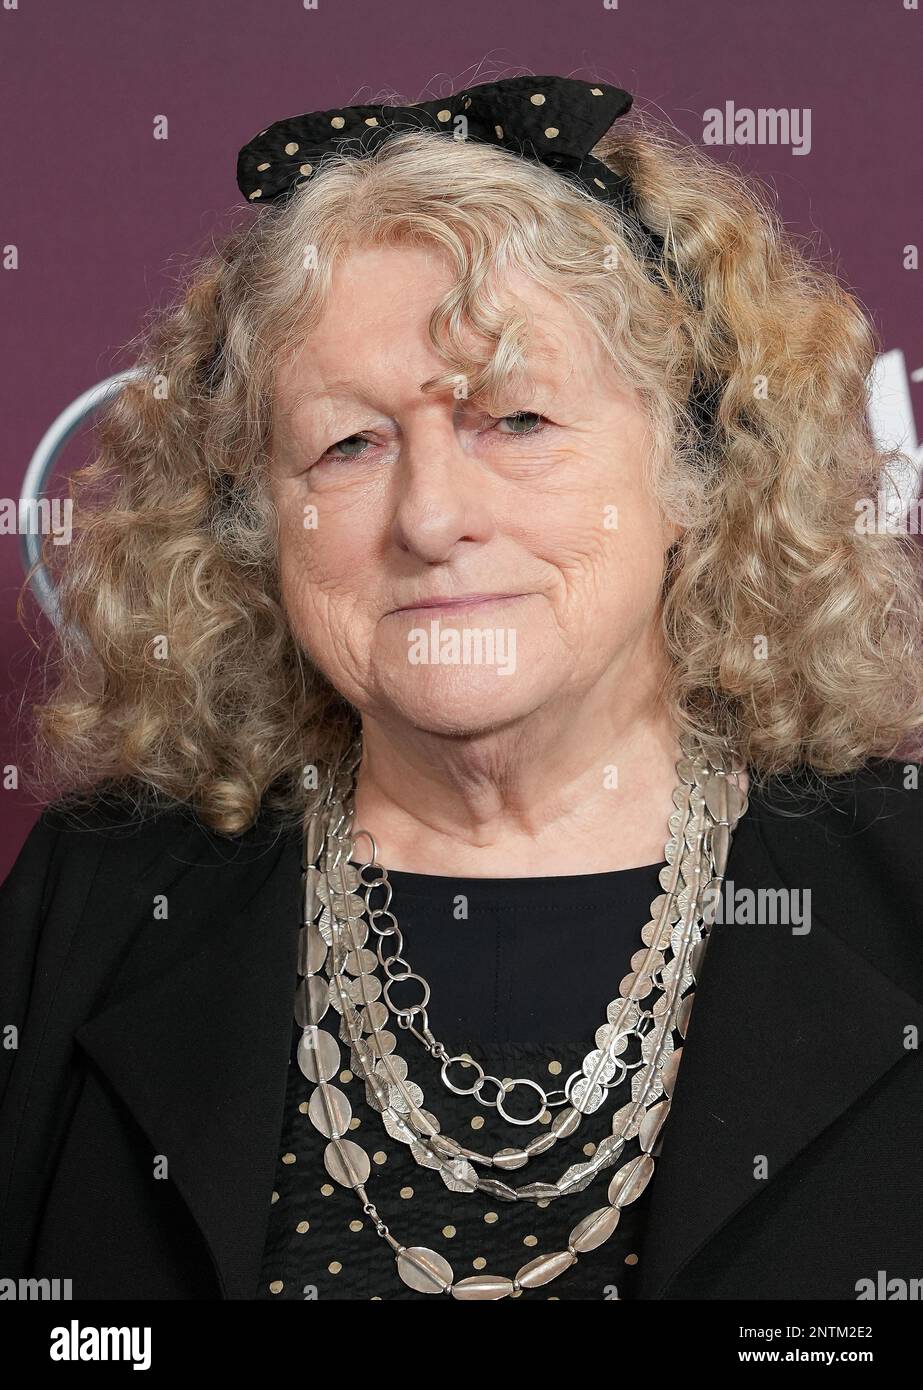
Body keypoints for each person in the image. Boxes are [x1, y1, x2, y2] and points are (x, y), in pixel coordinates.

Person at [1, 74, 922, 1302]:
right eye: (348, 443)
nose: (431, 517)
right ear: (257, 523)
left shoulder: (903, 888)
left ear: (697, 472)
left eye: (518, 418)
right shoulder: (94, 904)